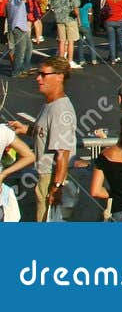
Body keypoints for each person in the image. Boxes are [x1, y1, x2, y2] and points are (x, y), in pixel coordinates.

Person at [10, 56, 77, 220]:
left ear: (59, 76)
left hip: (51, 178)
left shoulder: (60, 110)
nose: (38, 78)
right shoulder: (50, 104)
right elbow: (45, 132)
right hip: (46, 177)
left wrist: (56, 187)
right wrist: (25, 129)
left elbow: (63, 153)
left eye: (43, 74)